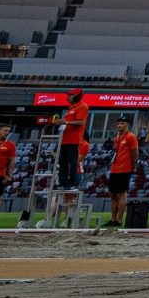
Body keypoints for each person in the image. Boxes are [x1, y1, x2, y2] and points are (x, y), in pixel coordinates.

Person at [57, 89, 88, 218]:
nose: (67, 97)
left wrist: (65, 122)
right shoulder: (71, 108)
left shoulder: (82, 106)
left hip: (74, 140)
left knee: (72, 161)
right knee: (62, 162)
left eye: (70, 95)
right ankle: (62, 183)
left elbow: (80, 122)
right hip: (65, 140)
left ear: (77, 96)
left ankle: (72, 183)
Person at [104, 118, 138, 228]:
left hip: (124, 169)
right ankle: (112, 219)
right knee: (113, 194)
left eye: (122, 123)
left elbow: (135, 152)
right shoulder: (117, 138)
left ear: (127, 125)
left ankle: (119, 220)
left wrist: (134, 165)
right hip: (115, 169)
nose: (119, 125)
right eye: (118, 123)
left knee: (121, 194)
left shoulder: (130, 137)